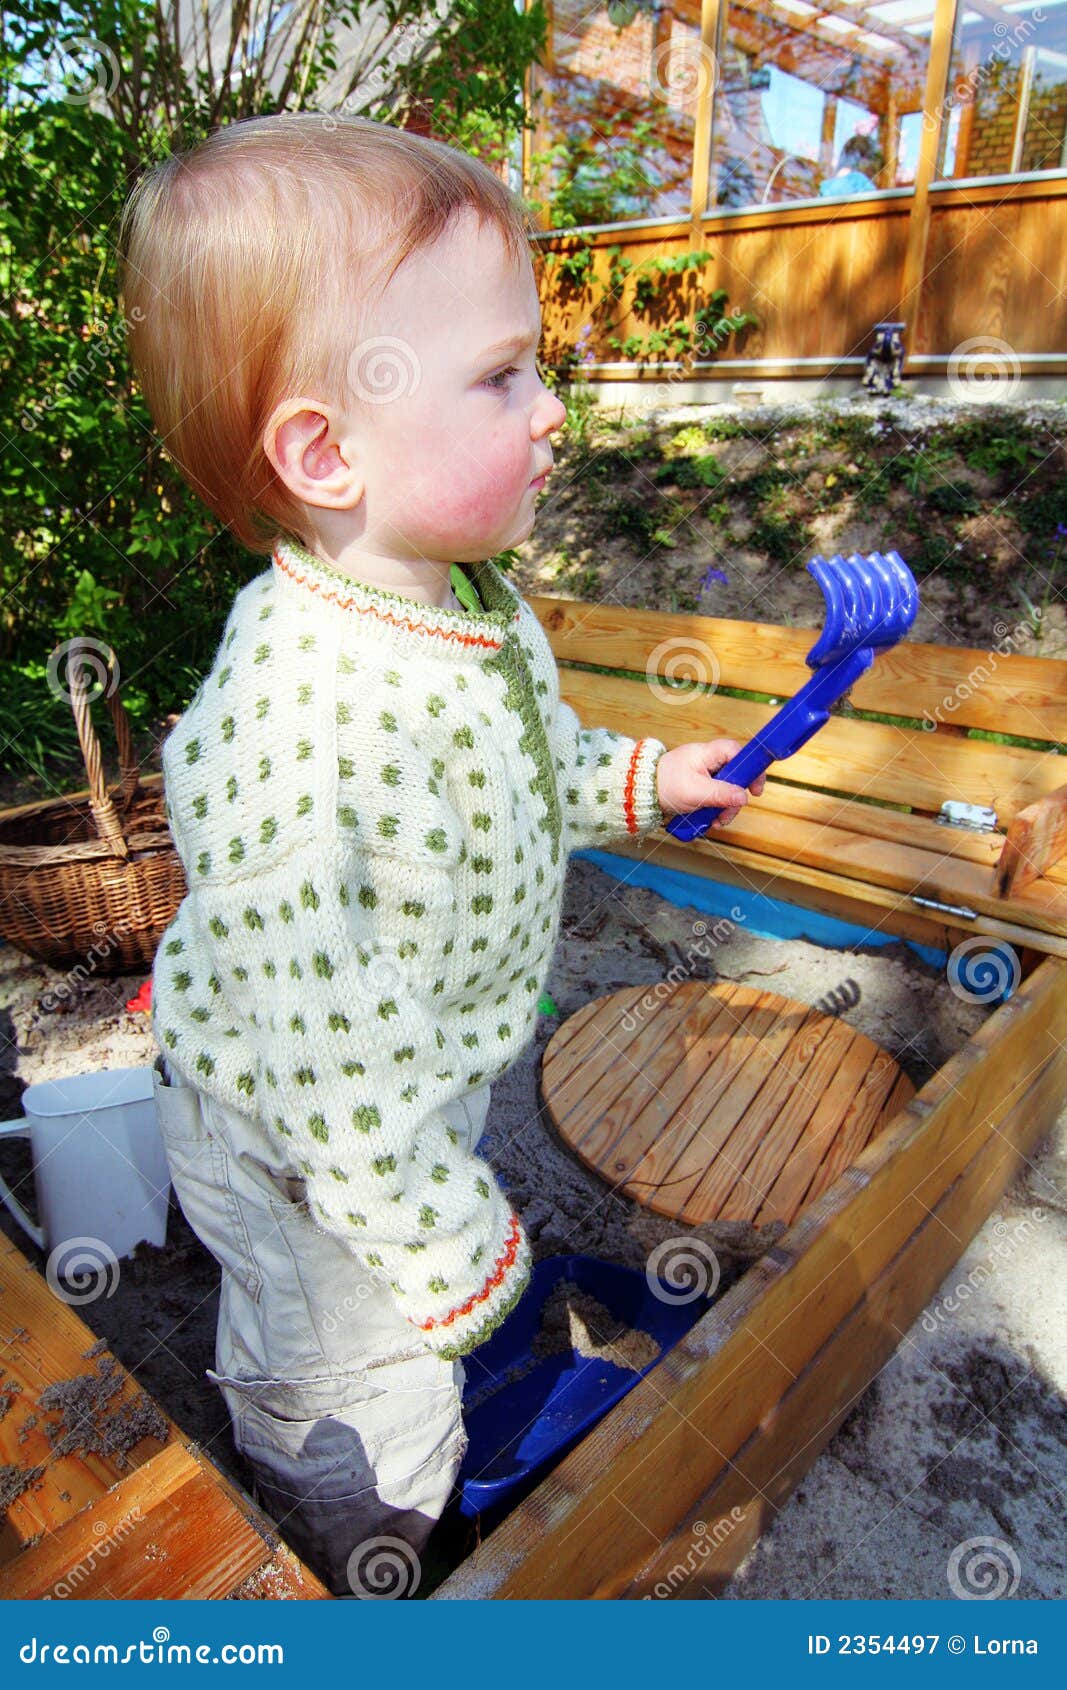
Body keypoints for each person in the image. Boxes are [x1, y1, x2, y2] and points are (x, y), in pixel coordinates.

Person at [117, 112, 765, 1598]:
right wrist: (460, 1258)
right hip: (291, 1140)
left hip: (401, 1087)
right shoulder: (295, 715)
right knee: (351, 1359)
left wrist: (651, 779)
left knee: (419, 1268)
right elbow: (332, 1093)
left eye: (534, 365)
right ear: (327, 449)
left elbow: (521, 774)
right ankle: (354, 1515)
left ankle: (414, 1356)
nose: (553, 410)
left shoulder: (468, 599)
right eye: (502, 376)